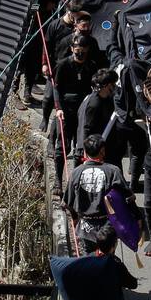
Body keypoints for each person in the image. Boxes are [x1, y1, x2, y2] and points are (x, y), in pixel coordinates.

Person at [49, 35, 101, 191]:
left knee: (80, 150)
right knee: (61, 148)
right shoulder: (63, 65)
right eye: (77, 50)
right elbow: (56, 88)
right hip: (65, 109)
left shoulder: (91, 66)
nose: (80, 53)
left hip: (83, 112)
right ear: (72, 49)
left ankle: (75, 182)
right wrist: (58, 108)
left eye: (83, 50)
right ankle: (58, 181)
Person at [64, 136, 129, 255]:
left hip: (85, 227)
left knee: (89, 260)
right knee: (108, 259)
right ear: (103, 151)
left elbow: (68, 202)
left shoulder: (76, 172)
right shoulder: (113, 171)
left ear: (85, 151)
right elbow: (127, 197)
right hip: (108, 225)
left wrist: (75, 218)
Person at [77, 68, 117, 150]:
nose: (115, 87)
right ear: (106, 85)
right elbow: (86, 128)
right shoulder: (94, 104)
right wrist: (86, 150)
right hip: (90, 150)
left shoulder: (105, 99)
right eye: (113, 84)